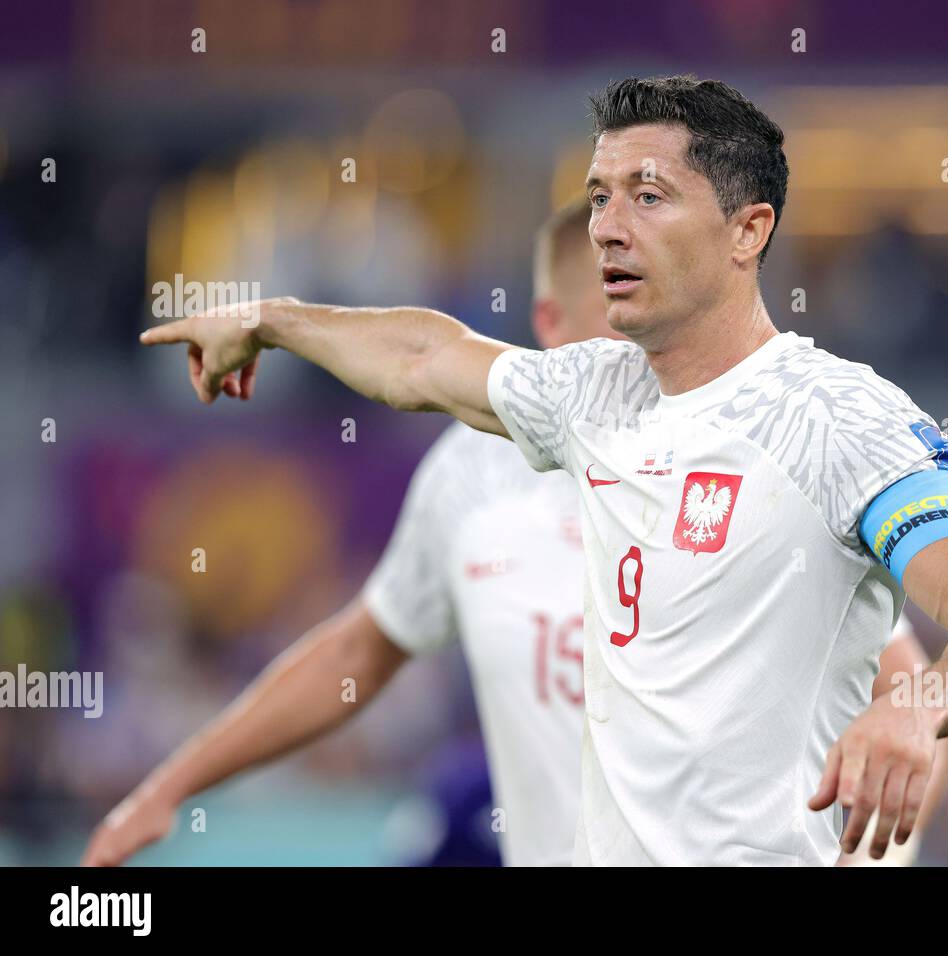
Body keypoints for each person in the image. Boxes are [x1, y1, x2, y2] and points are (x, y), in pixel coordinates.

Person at [140, 74, 948, 865]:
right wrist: (271, 319)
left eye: (648, 196)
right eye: (600, 195)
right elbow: (422, 356)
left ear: (749, 231)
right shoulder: (594, 395)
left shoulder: (837, 417)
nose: (608, 228)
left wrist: (918, 709)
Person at [84, 199, 606, 867]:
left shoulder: (736, 458)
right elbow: (355, 655)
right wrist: (168, 787)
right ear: (549, 328)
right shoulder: (476, 473)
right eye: (613, 308)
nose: (642, 339)